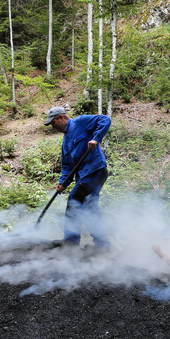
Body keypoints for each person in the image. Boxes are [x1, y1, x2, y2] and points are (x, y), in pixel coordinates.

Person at [43, 106, 112, 250]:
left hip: (95, 171)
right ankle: (103, 245)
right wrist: (63, 183)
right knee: (90, 208)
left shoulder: (80, 122)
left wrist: (96, 138)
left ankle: (71, 242)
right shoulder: (65, 142)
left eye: (53, 123)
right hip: (84, 176)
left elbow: (105, 119)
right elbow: (67, 166)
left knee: (74, 201)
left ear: (60, 117)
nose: (53, 127)